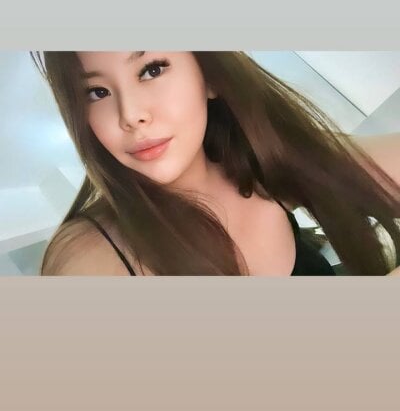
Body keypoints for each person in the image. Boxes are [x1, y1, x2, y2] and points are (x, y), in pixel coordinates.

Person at [30, 51, 400, 276]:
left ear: (209, 78)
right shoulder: (90, 255)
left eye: (152, 70)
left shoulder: (263, 166)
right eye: (97, 92)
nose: (131, 115)